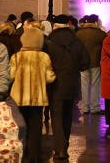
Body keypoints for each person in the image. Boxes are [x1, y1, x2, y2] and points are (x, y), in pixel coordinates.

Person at [9, 26, 56, 163]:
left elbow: (10, 76)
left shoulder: (16, 57)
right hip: (37, 99)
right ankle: (34, 156)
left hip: (19, 98)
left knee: (21, 127)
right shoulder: (44, 57)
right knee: (36, 128)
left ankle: (21, 154)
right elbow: (50, 78)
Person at [46, 14, 88, 162]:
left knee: (56, 116)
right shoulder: (77, 41)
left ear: (55, 26)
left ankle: (60, 149)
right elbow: (85, 64)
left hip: (54, 84)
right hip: (72, 84)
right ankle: (65, 145)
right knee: (67, 116)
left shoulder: (49, 41)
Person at [75, 14, 107, 114]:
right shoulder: (100, 33)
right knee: (95, 85)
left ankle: (85, 108)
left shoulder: (79, 33)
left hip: (82, 63)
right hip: (95, 62)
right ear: (96, 22)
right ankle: (95, 107)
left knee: (84, 86)